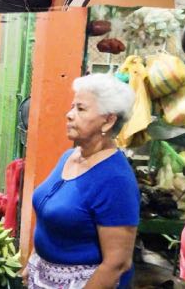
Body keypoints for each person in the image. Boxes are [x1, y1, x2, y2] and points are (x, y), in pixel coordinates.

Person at [24, 74, 140, 288]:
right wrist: (34, 261)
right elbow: (47, 216)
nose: (69, 115)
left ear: (109, 120)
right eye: (72, 107)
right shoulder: (69, 157)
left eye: (81, 109)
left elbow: (117, 263)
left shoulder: (115, 180)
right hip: (43, 276)